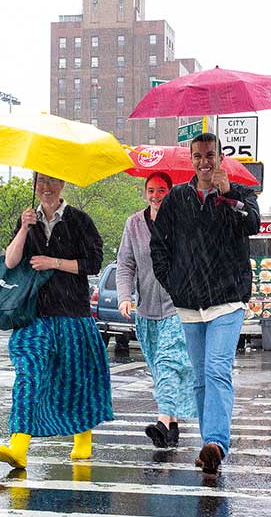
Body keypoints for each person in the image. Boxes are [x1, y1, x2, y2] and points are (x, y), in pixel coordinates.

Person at [150, 133, 261, 474]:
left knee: (216, 369)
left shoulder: (239, 194)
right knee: (199, 377)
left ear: (220, 156)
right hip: (189, 304)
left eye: (210, 155)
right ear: (191, 159)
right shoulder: (178, 198)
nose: (204, 161)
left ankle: (215, 441)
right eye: (197, 156)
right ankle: (208, 446)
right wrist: (173, 282)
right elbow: (159, 245)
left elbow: (252, 224)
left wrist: (227, 195)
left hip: (227, 301)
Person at [0, 172, 113, 469]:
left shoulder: (79, 220)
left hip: (72, 314)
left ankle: (82, 438)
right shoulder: (28, 220)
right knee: (29, 375)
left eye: (51, 181)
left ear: (62, 184)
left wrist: (53, 263)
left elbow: (93, 263)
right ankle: (18, 444)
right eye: (40, 182)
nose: (45, 188)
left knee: (75, 379)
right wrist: (23, 228)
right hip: (33, 316)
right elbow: (10, 261)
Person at [116, 172, 198, 448]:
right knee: (159, 367)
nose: (156, 195)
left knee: (167, 362)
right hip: (147, 310)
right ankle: (173, 425)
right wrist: (124, 297)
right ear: (145, 193)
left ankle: (162, 421)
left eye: (161, 190)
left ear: (170, 192)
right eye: (151, 190)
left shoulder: (183, 221)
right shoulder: (134, 224)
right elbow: (126, 264)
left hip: (178, 307)